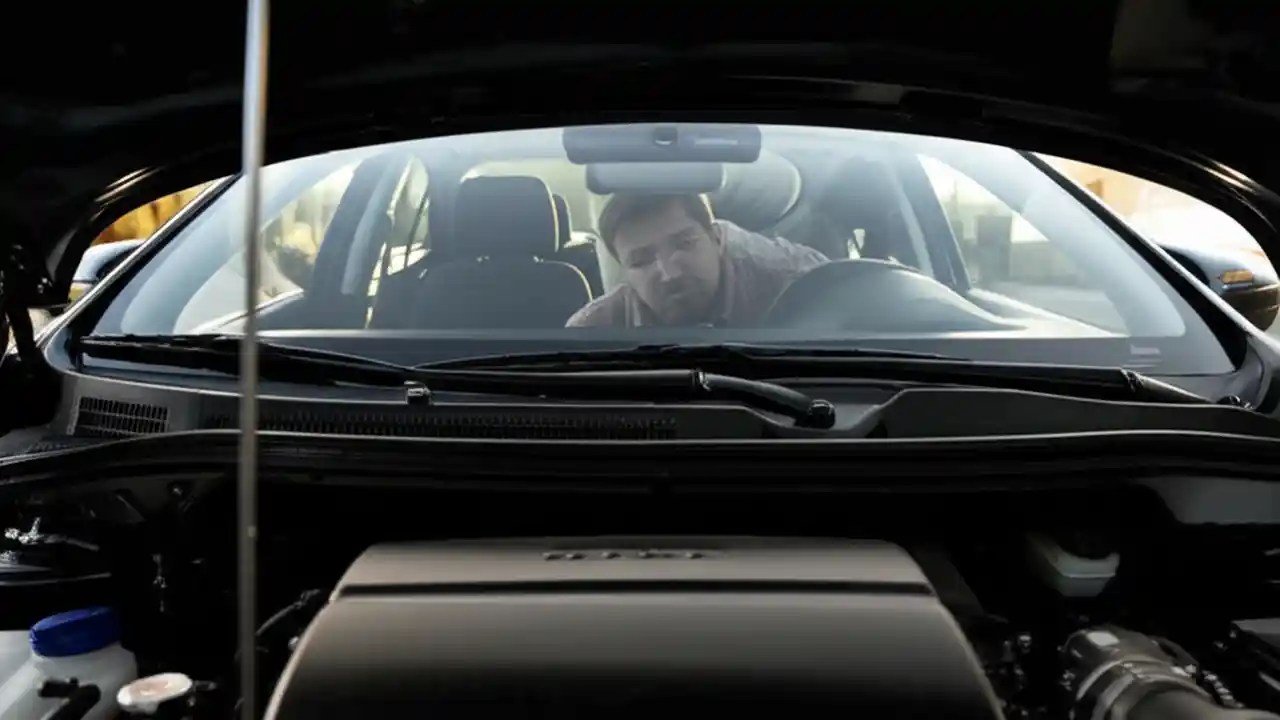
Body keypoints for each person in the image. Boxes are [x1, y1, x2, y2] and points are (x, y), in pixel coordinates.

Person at [566, 193, 828, 327]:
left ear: (717, 238)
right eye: (641, 261)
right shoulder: (592, 334)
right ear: (623, 270)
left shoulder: (798, 285)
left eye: (685, 244)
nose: (670, 274)